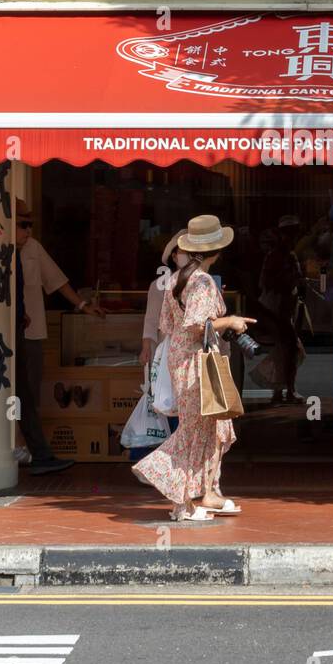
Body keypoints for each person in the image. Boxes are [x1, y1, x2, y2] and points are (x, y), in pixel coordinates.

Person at [132, 214, 257, 521]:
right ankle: (170, 485)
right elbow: (199, 325)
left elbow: (168, 325)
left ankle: (197, 497)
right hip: (195, 362)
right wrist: (231, 321)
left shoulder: (177, 279)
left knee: (211, 427)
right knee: (197, 430)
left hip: (183, 359)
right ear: (216, 250)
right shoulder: (200, 280)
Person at [14, 198, 105, 475]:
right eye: (22, 224)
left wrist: (82, 305)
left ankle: (30, 451)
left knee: (28, 393)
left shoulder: (32, 249)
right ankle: (30, 452)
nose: (28, 231)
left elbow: (56, 279)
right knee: (17, 395)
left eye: (30, 224)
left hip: (31, 333)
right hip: (5, 335)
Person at [258, 213, 306, 407]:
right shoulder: (278, 256)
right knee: (289, 349)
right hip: (277, 309)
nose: (293, 238)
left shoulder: (287, 255)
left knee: (286, 349)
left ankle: (282, 390)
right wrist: (290, 280)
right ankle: (285, 390)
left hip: (285, 308)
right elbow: (267, 282)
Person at [140, 230, 188, 366]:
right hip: (168, 346)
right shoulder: (160, 285)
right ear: (174, 257)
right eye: (184, 251)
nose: (189, 256)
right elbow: (151, 319)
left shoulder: (203, 282)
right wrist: (146, 347)